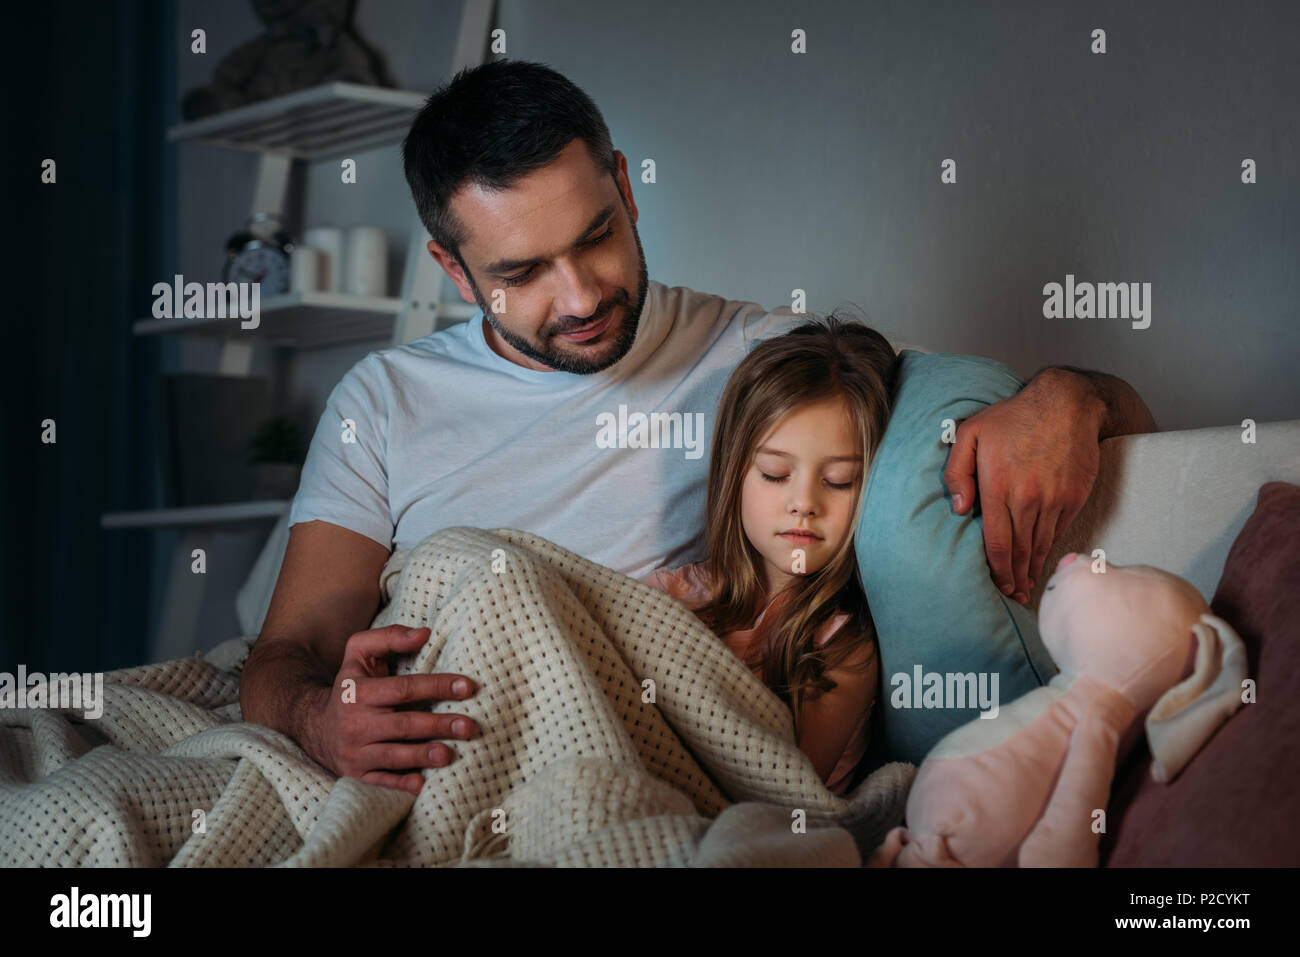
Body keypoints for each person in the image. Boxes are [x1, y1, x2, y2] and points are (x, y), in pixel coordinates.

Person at [240, 59, 1158, 795]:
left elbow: (1102, 418)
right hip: (439, 747)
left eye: (596, 235)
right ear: (453, 268)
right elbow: (284, 656)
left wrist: (1072, 395)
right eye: (524, 271)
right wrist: (326, 720)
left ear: (628, 191)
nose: (583, 295)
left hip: (620, 754)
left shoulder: (761, 358)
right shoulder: (385, 397)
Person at [640, 315, 897, 795]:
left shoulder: (842, 647)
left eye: (840, 481)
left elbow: (780, 791)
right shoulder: (673, 594)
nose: (804, 503)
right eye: (775, 473)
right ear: (734, 472)